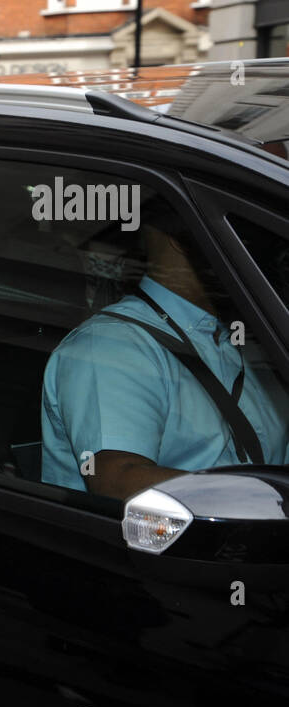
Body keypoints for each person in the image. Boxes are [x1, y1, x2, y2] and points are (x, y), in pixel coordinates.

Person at [41, 207, 289, 499]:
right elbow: (117, 480)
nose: (255, 250)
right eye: (238, 234)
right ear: (179, 238)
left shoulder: (247, 335)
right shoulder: (114, 345)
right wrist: (262, 498)